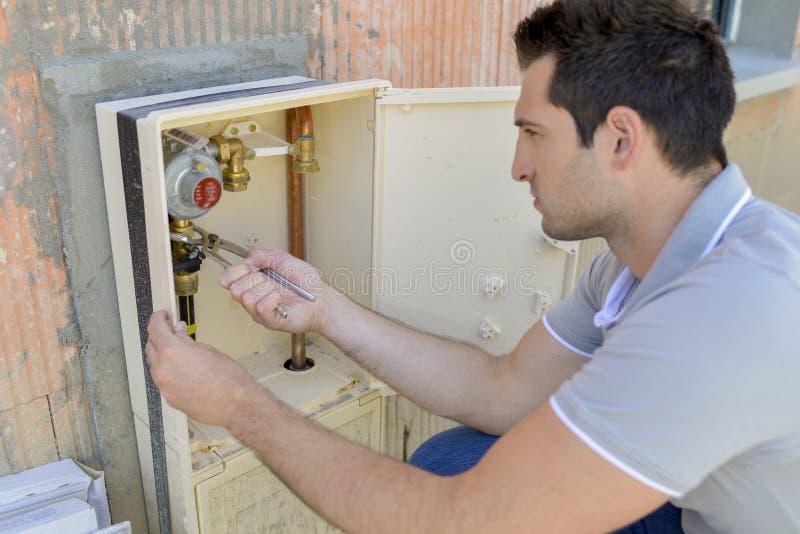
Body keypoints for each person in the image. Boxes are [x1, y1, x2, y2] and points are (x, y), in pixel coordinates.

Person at [145, 1, 800, 532]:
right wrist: (326, 310)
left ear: (622, 140)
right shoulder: (638, 266)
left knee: (460, 494)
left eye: (533, 133)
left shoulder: (727, 314)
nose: (517, 166)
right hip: (699, 508)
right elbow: (503, 390)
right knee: (454, 460)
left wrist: (238, 404)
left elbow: (459, 522)